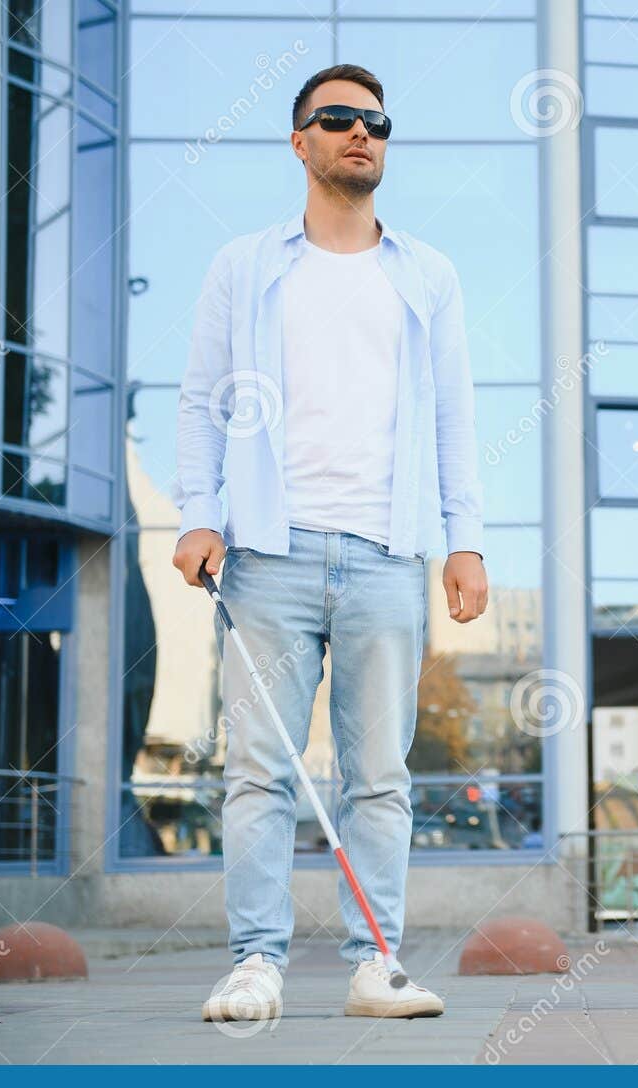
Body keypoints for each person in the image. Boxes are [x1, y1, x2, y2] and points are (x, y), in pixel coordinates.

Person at [172, 64, 488, 1023]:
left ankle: (374, 964)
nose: (361, 132)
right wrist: (198, 511)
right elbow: (200, 401)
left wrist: (463, 541)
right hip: (266, 553)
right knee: (259, 771)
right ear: (300, 142)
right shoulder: (246, 265)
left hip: (389, 557)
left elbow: (453, 417)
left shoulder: (427, 275)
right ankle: (255, 963)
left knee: (380, 777)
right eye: (338, 118)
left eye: (376, 121)